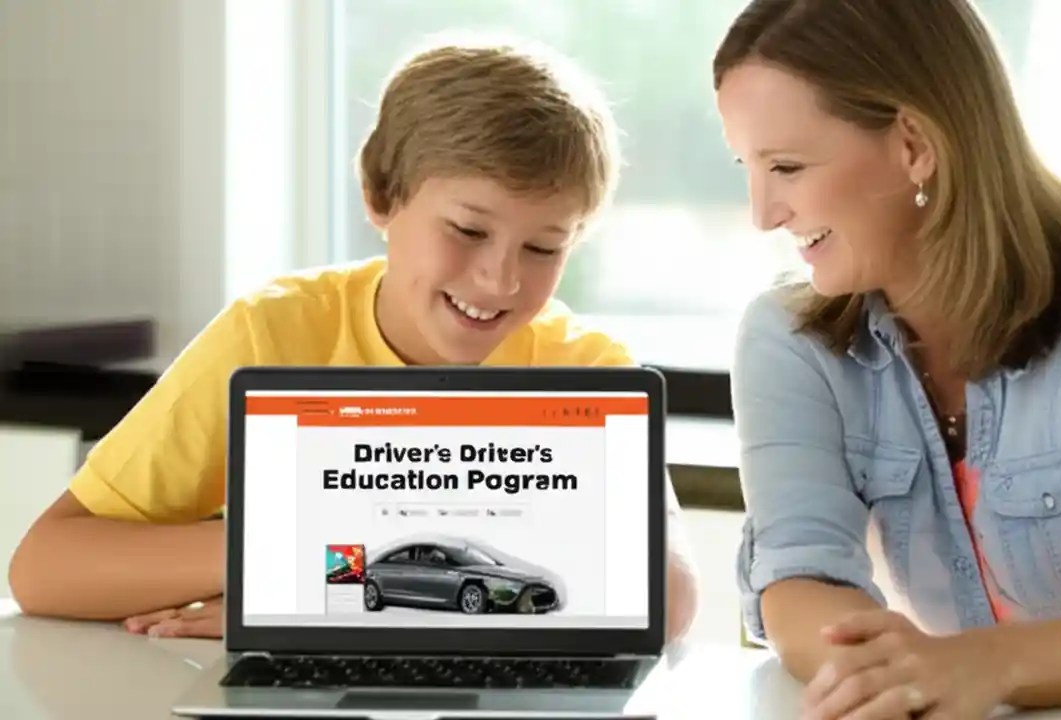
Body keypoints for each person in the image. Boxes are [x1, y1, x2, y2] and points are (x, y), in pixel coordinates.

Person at [8, 34, 698, 645]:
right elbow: (43, 569)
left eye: (545, 247)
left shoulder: (585, 367)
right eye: (467, 230)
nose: (500, 280)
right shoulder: (272, 332)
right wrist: (285, 560)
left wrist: (322, 600)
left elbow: (667, 600)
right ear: (380, 193)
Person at [712, 1, 1061, 718]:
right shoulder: (787, 341)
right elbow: (798, 576)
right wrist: (900, 679)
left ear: (913, 145)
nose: (763, 213)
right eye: (747, 167)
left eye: (786, 166)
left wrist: (971, 669)